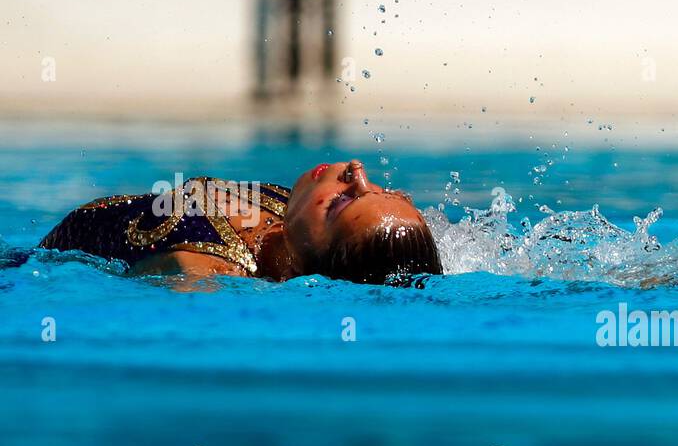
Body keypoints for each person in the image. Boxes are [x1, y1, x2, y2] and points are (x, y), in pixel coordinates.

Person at [40, 160, 443, 284]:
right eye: (383, 190)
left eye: (339, 204)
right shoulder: (286, 214)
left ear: (304, 266)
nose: (357, 173)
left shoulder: (204, 265)